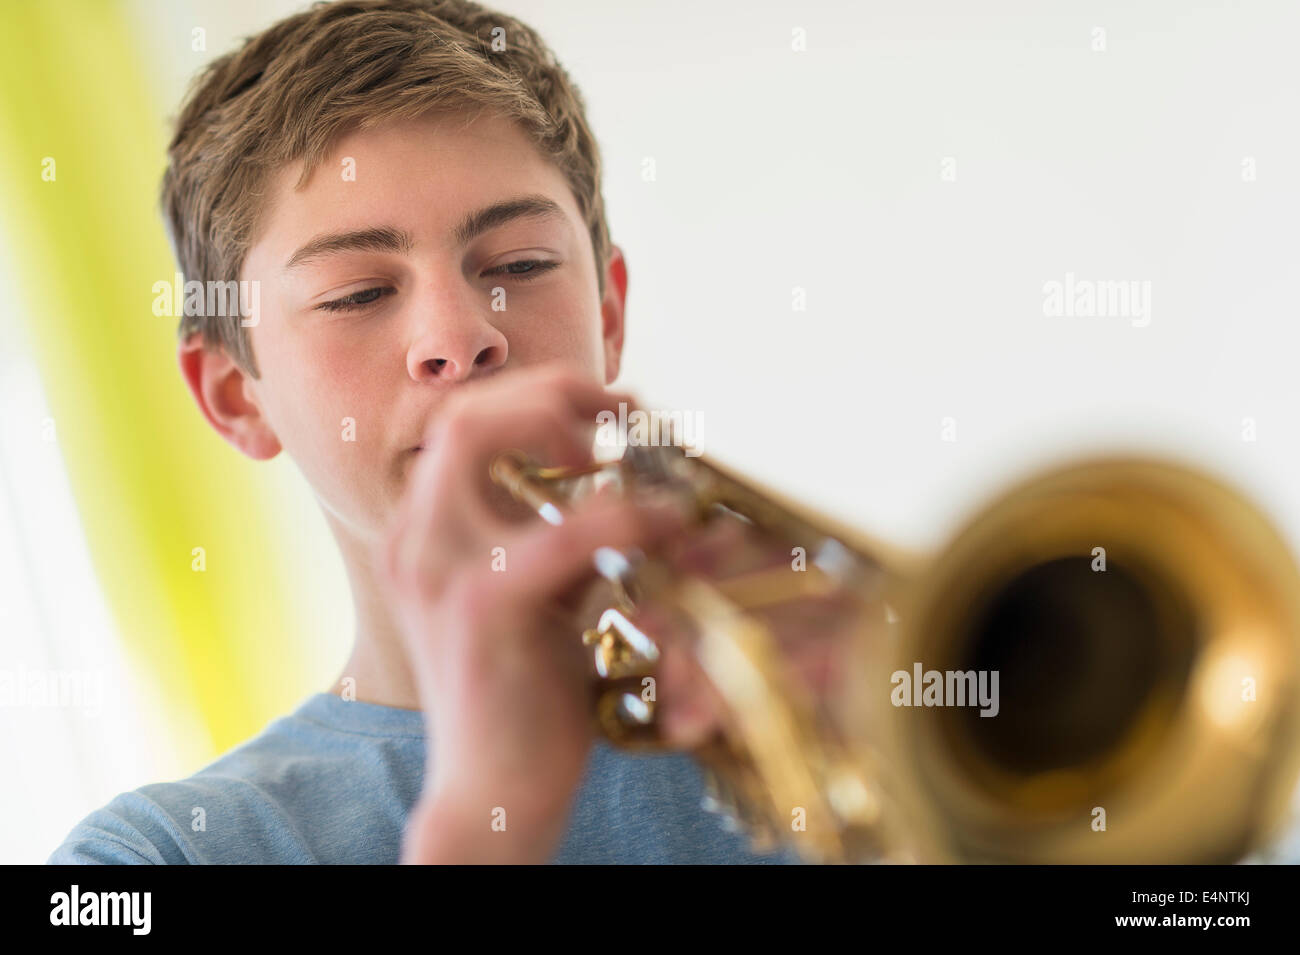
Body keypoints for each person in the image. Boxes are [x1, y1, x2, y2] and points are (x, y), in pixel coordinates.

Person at [47, 0, 797, 864]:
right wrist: (484, 808)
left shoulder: (833, 719)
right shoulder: (148, 855)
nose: (459, 337)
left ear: (609, 313)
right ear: (235, 397)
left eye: (520, 265)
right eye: (358, 293)